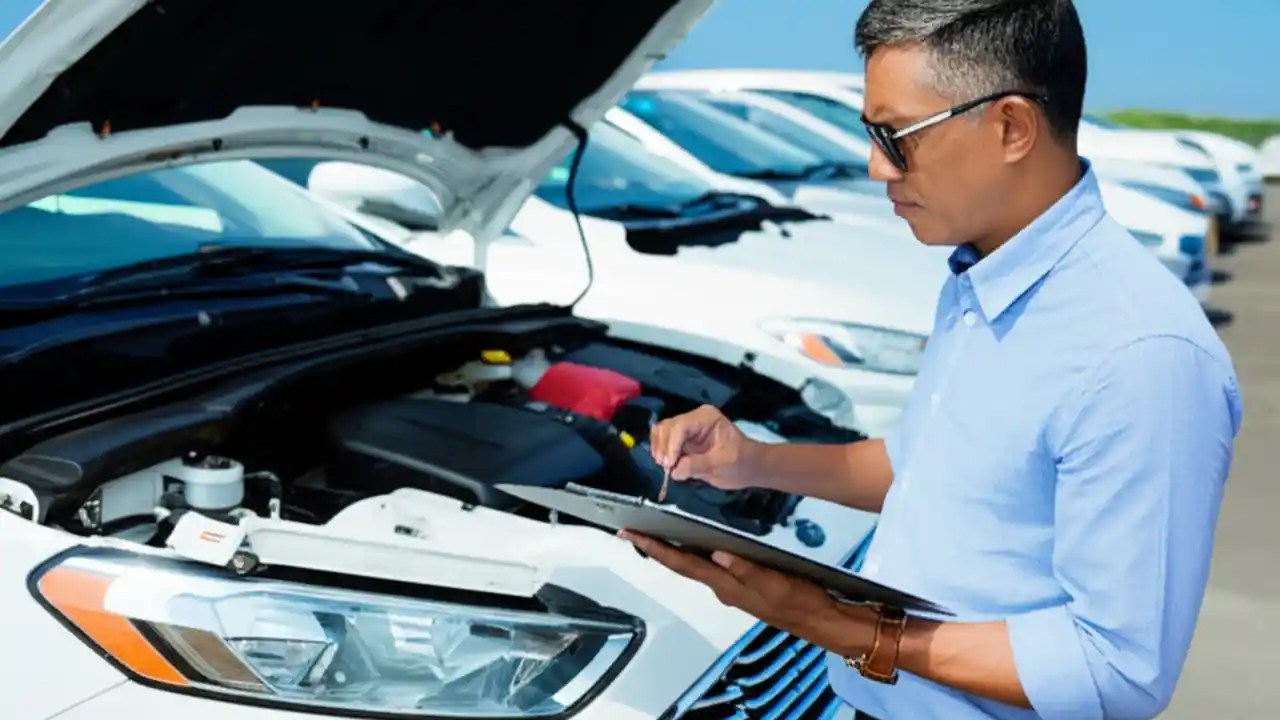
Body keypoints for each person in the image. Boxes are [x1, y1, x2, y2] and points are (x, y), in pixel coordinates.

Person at [618, 1, 1243, 718]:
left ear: (1010, 127)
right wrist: (752, 461)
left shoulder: (1140, 355)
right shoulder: (983, 274)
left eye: (895, 135)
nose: (874, 164)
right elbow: (929, 470)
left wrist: (831, 622)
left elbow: (1115, 670)